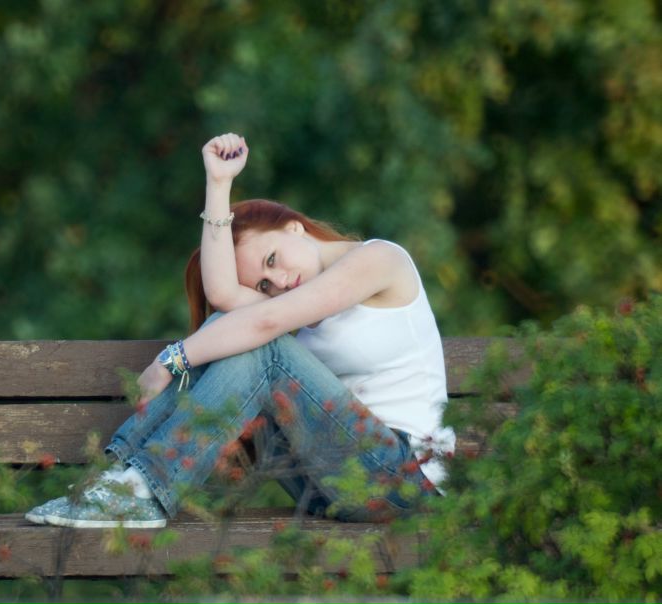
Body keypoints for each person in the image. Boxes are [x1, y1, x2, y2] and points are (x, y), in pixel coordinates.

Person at [25, 133, 456, 528]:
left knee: (260, 344)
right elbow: (225, 295)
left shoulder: (381, 260)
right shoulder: (299, 305)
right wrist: (218, 184)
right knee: (228, 330)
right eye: (265, 285)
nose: (279, 282)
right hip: (328, 485)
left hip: (402, 481)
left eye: (272, 259)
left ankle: (144, 489)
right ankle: (117, 478)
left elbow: (264, 322)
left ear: (293, 227)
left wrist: (172, 359)